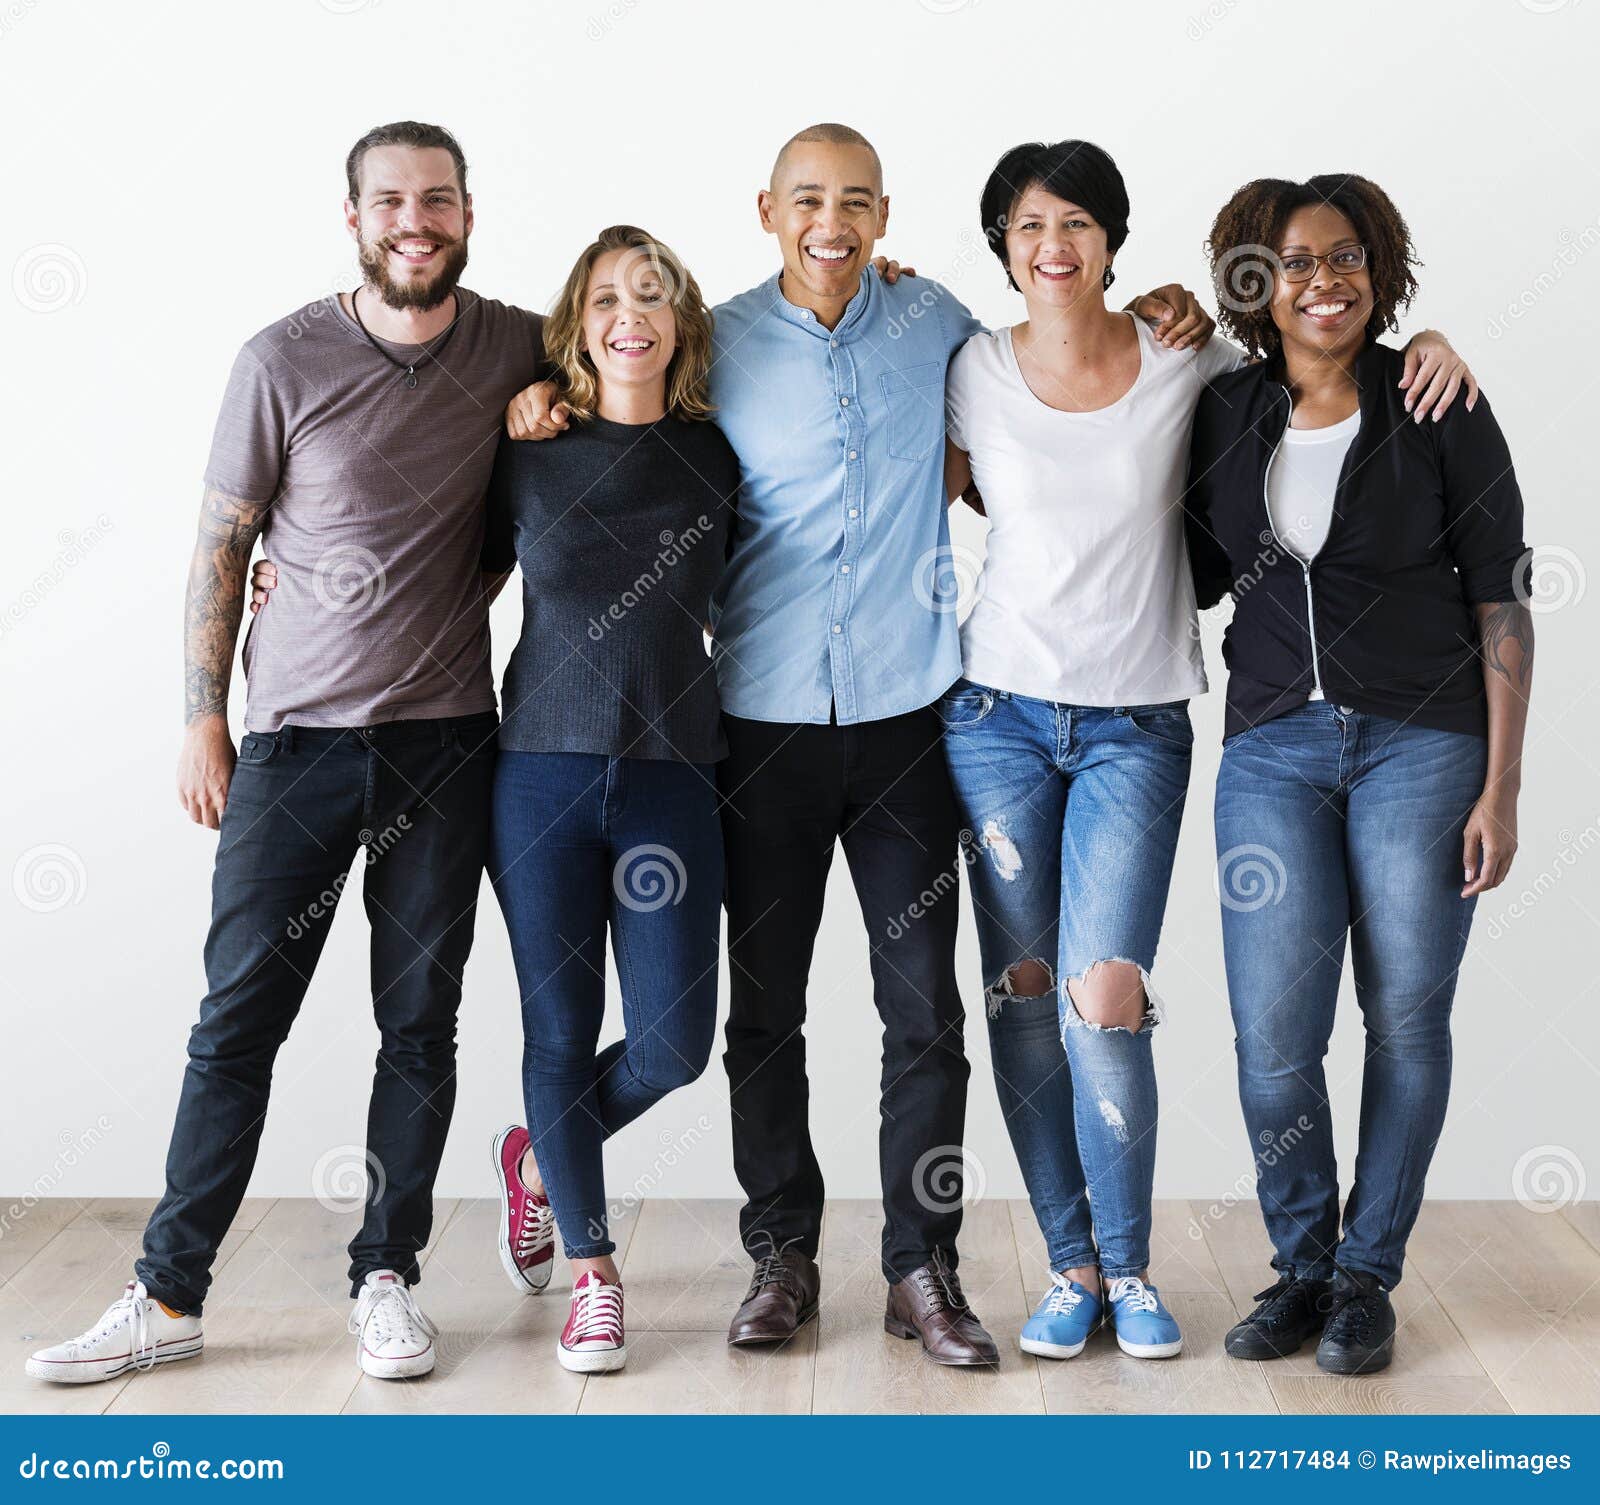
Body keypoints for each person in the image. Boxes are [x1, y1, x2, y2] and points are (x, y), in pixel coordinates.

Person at [502, 122, 1217, 1366]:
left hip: (907, 724)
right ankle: (781, 1254)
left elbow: (1055, 350)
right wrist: (545, 392)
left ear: (884, 218)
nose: (830, 224)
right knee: (763, 1016)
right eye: (806, 201)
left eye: (855, 203)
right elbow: (621, 407)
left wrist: (1168, 305)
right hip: (755, 732)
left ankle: (920, 1265)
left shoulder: (936, 321)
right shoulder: (710, 342)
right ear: (768, 209)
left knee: (922, 1010)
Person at [26, 122, 548, 1385]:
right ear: (355, 221)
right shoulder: (281, 356)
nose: (412, 220)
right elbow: (221, 544)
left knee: (419, 1024)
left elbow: (666, 347)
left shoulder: (520, 343)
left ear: (468, 214)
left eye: (436, 200)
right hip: (294, 746)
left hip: (445, 743)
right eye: (388, 202)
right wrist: (204, 715)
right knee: (235, 1024)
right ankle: (167, 1291)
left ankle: (388, 1273)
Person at [938, 141, 1476, 1364]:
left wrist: (1431, 345)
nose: (1052, 244)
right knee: (1026, 997)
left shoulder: (1193, 361)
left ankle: (1130, 1267)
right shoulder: (964, 365)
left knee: (1103, 996)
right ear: (1003, 246)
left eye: (1075, 221)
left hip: (1140, 718)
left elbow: (1327, 361)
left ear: (1116, 241)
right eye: (1027, 225)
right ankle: (1070, 1263)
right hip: (995, 717)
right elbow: (920, 463)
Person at [1184, 175, 1531, 1375]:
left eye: (1345, 258)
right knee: (1274, 1032)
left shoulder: (1434, 396)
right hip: (1271, 745)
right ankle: (1301, 1265)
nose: (1321, 279)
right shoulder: (1223, 413)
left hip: (1424, 746)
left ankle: (1365, 1275)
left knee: (1404, 1016)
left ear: (1377, 273)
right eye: (1292, 260)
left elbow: (1501, 595)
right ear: (1253, 280)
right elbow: (1168, 557)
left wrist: (1504, 784)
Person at [483, 227, 739, 1374]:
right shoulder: (526, 444)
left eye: (650, 295)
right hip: (537, 769)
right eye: (603, 299)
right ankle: (592, 1268)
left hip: (673, 773)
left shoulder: (717, 453)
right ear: (576, 325)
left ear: (679, 319)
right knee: (559, 1029)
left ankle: (537, 1163)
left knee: (679, 1041)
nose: (627, 313)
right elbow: (442, 564)